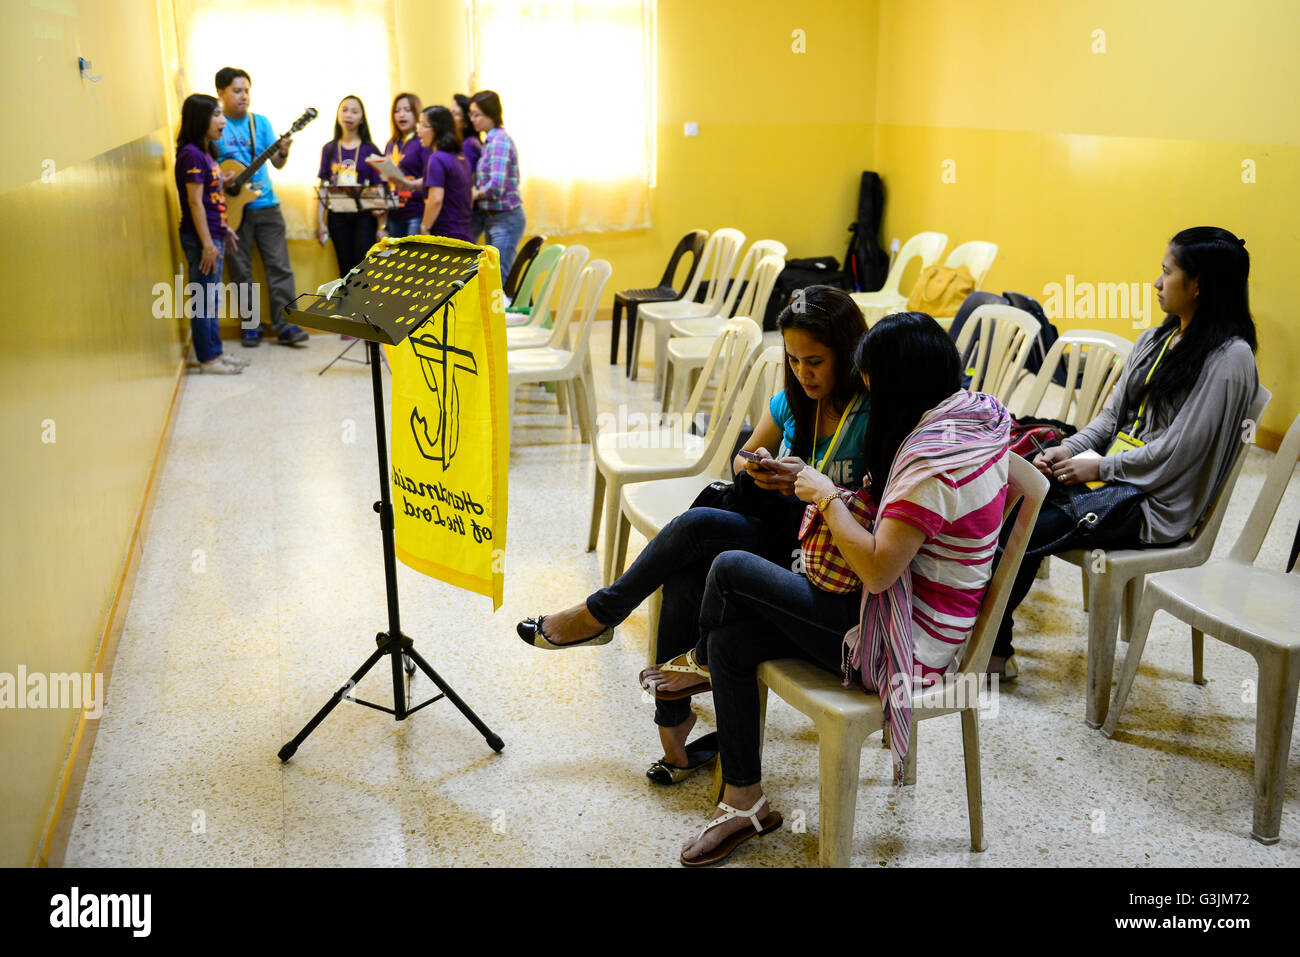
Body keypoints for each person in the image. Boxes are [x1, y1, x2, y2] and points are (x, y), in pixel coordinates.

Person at [678, 312, 1011, 865]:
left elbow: (879, 570)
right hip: (914, 607)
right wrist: (811, 485)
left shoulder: (931, 463)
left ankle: (693, 665)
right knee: (731, 642)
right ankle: (745, 800)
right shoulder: (975, 413)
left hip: (906, 639)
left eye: (873, 384)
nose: (867, 395)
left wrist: (827, 496)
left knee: (730, 567)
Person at [516, 286, 869, 784]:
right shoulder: (792, 400)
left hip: (816, 556)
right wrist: (759, 469)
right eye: (792, 359)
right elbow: (744, 458)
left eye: (815, 360)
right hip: (775, 526)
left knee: (697, 536)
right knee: (691, 555)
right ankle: (672, 723)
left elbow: (868, 510)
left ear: (849, 354)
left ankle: (603, 617)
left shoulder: (867, 414)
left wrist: (812, 484)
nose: (802, 373)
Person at [989, 226, 1261, 678]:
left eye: (1166, 272)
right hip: (1115, 481)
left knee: (1026, 522)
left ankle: (991, 652)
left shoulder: (1230, 359)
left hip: (1156, 504)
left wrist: (1098, 465)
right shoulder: (1158, 338)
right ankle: (988, 644)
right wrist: (1066, 450)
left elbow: (1179, 454)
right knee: (1015, 497)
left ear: (1198, 285)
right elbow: (1110, 418)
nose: (1157, 283)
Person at [213, 67, 310, 348]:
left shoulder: (261, 123)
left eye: (247, 91)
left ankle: (287, 326)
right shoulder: (216, 125)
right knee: (241, 269)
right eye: (237, 91)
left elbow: (277, 163)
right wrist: (224, 180)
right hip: (232, 209)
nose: (244, 97)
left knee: (279, 267)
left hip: (267, 205)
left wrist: (284, 150)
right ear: (221, 93)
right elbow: (209, 168)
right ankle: (251, 326)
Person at [174, 93, 246, 374]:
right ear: (199, 120)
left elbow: (209, 197)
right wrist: (206, 243)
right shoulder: (191, 153)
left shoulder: (206, 152)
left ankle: (215, 352)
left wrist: (223, 228)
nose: (222, 121)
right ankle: (208, 359)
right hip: (200, 238)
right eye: (216, 115)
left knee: (212, 297)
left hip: (213, 234)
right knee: (204, 299)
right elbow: (194, 202)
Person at [316, 95, 383, 278]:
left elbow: (379, 187)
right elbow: (323, 186)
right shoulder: (329, 149)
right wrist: (320, 222)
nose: (349, 115)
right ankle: (347, 306)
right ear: (338, 114)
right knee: (344, 269)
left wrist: (381, 225)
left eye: (355, 111)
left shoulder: (371, 149)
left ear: (362, 118)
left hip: (364, 216)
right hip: (337, 215)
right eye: (345, 110)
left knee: (363, 269)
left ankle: (363, 306)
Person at [468, 90, 525, 277]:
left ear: (491, 114)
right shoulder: (489, 141)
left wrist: (475, 194)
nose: (473, 119)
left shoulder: (499, 141)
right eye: (471, 114)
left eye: (477, 115)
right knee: (493, 275)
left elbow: (496, 185)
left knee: (499, 276)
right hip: (493, 218)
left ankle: (505, 307)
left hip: (505, 218)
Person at [370, 92, 426, 238]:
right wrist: (382, 223)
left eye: (407, 110)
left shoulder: (423, 142)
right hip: (394, 215)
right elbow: (385, 182)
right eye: (397, 111)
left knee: (413, 260)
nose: (401, 115)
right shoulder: (391, 144)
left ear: (417, 114)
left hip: (416, 214)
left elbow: (430, 179)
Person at [417, 106, 474, 243]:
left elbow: (436, 199)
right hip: (465, 232)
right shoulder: (461, 157)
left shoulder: (437, 158)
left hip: (446, 235)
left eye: (424, 125)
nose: (419, 131)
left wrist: (424, 228)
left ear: (437, 129)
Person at [451, 93, 484, 239]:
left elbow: (463, 179)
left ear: (466, 121)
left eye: (456, 114)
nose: (450, 118)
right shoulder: (461, 143)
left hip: (470, 212)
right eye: (450, 112)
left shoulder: (469, 144)